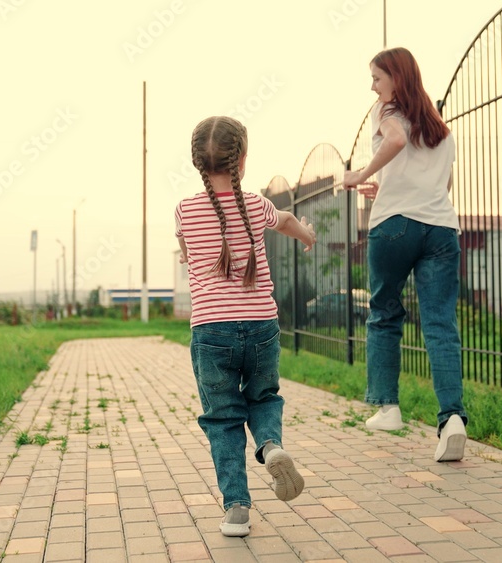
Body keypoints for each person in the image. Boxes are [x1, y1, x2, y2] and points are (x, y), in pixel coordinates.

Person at [175, 116, 317, 537]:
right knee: (264, 397)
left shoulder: (184, 209)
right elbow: (288, 220)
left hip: (211, 331)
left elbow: (185, 248)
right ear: (242, 160)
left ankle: (237, 509)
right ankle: (270, 445)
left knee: (222, 420)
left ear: (198, 162)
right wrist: (307, 237)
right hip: (260, 325)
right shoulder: (256, 204)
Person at [342, 47, 469, 462]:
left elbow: (395, 139)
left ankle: (388, 408)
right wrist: (387, 186)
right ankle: (452, 419)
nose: (373, 86)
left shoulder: (388, 111)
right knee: (440, 324)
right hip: (441, 229)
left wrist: (360, 174)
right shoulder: (441, 130)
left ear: (396, 78)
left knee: (384, 313)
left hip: (395, 228)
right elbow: (439, 187)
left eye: (377, 78)